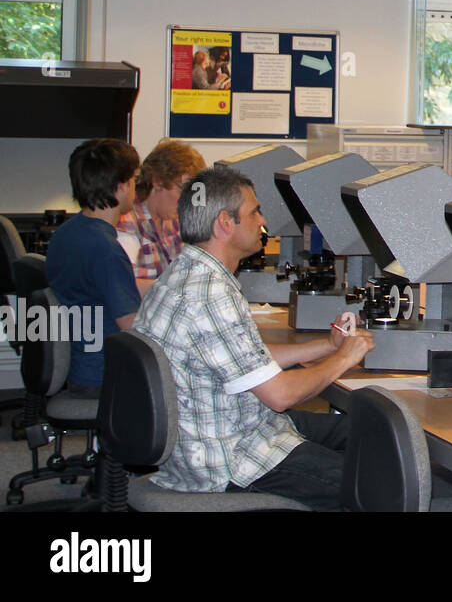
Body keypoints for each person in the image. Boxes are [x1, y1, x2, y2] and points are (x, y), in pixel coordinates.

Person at [134, 165, 374, 510]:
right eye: (254, 212)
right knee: (378, 482)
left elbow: (246, 359)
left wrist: (327, 345)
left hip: (221, 433)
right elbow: (280, 396)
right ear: (224, 223)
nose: (263, 222)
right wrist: (343, 359)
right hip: (229, 459)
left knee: (366, 433)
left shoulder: (186, 272)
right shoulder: (209, 294)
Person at [45, 138, 142, 396]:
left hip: (81, 366)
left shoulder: (66, 234)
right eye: (134, 179)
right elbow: (134, 328)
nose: (136, 187)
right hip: (104, 375)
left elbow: (101, 289)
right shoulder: (107, 249)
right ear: (121, 187)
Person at [117, 139, 206, 286]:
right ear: (157, 181)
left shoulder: (171, 221)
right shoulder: (127, 223)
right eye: (183, 189)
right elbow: (124, 286)